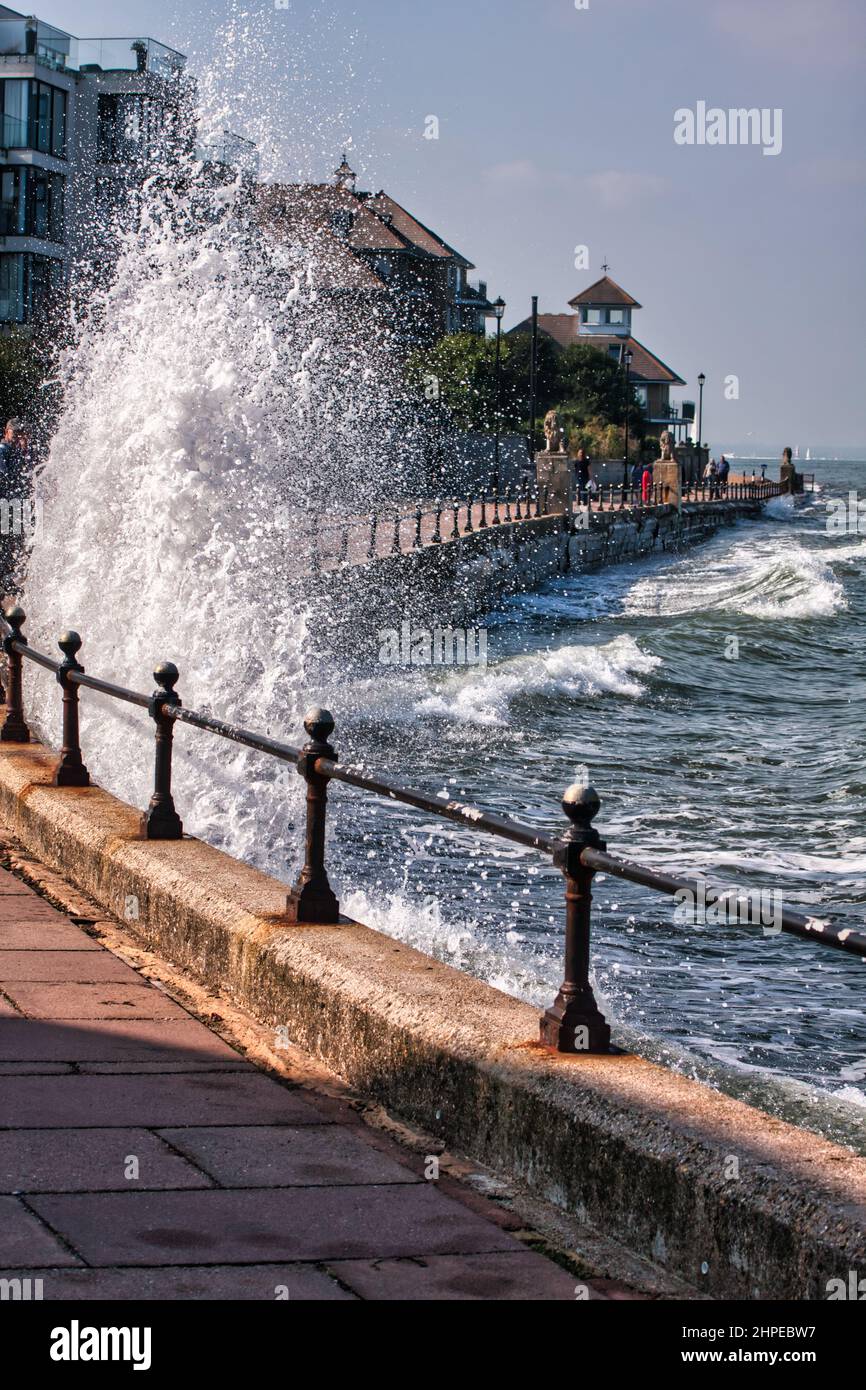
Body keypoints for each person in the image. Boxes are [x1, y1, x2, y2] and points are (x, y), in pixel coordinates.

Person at [0, 418, 32, 597]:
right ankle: (6, 580)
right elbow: (3, 480)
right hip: (8, 505)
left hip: (22, 505)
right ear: (6, 432)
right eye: (16, 433)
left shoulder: (22, 452)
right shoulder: (3, 451)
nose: (20, 438)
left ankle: (11, 579)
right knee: (8, 543)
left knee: (24, 543)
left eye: (23, 434)